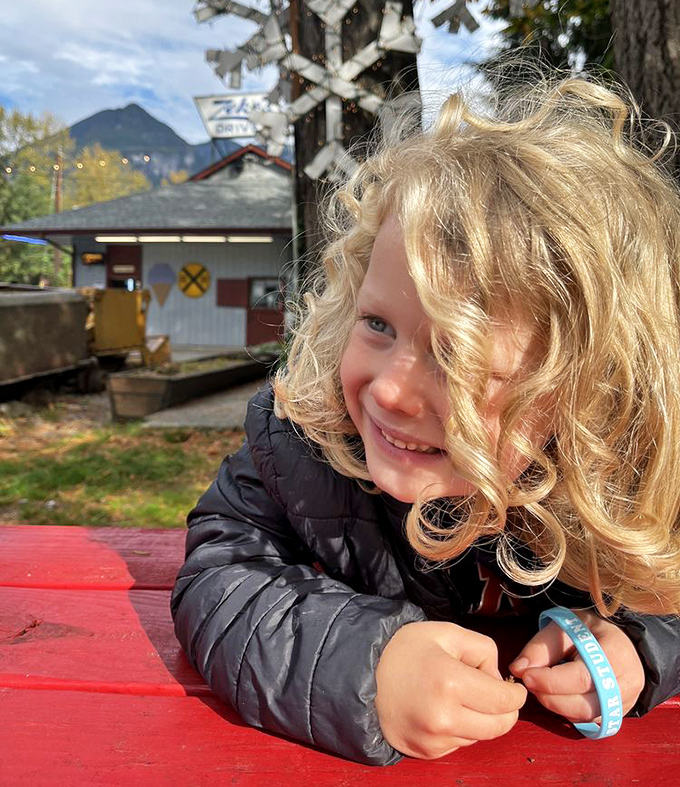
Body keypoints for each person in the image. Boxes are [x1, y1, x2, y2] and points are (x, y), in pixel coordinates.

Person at [171, 72, 680, 766]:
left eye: (456, 356)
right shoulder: (304, 436)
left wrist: (640, 643)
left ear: (586, 393)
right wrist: (361, 665)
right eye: (377, 324)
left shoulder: (623, 479)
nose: (389, 391)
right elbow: (221, 570)